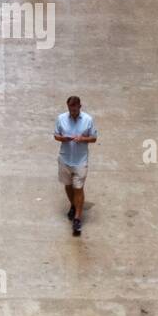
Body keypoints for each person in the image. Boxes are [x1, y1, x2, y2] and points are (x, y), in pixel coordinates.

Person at [54, 95, 97, 237]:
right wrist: (63, 138)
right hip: (65, 158)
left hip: (80, 161)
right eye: (70, 109)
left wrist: (83, 139)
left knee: (78, 188)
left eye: (74, 109)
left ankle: (77, 218)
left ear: (79, 106)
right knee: (67, 185)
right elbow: (56, 135)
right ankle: (74, 205)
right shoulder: (61, 118)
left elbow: (94, 138)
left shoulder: (88, 120)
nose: (72, 112)